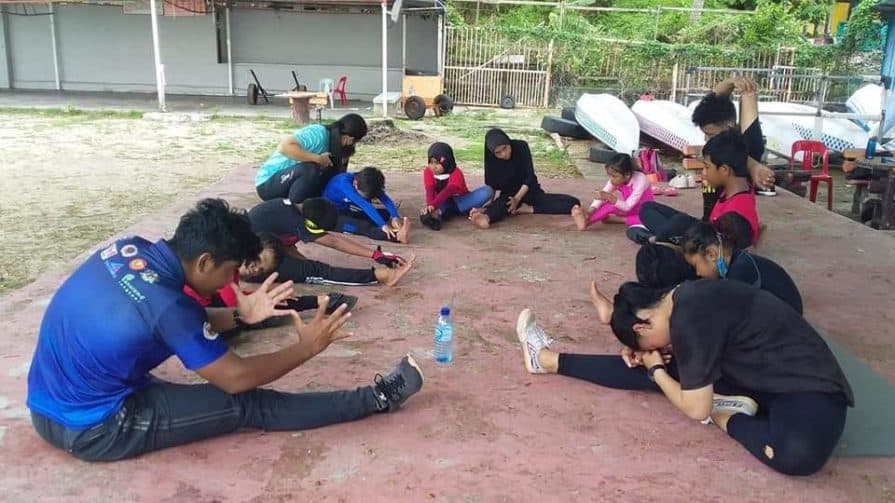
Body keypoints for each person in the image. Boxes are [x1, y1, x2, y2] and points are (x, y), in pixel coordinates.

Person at [27, 198, 424, 462]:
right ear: (204, 261)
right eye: (229, 270)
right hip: (92, 427)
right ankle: (377, 398)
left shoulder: (127, 249)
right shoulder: (171, 308)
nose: (230, 281)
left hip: (46, 402)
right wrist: (307, 346)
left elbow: (170, 323)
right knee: (246, 404)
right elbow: (235, 378)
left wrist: (241, 316)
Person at [515, 280, 853, 476]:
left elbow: (694, 410)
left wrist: (657, 369)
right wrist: (655, 361)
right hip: (754, 375)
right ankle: (546, 359)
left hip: (808, 387)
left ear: (641, 326)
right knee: (658, 370)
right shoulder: (682, 298)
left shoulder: (689, 319)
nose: (655, 348)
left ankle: (727, 415)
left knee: (795, 456)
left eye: (643, 343)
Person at [247, 198, 415, 287]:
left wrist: (305, 265)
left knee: (309, 267)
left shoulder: (291, 209)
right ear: (311, 224)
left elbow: (286, 246)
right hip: (252, 266)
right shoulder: (299, 222)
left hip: (257, 251)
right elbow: (334, 242)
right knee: (318, 271)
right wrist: (376, 255)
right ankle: (383, 276)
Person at [183, 233, 358, 318]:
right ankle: (321, 301)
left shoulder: (232, 271)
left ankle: (322, 301)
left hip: (206, 309)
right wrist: (266, 298)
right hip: (194, 314)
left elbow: (236, 299)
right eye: (257, 261)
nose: (255, 269)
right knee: (258, 311)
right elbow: (236, 304)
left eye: (260, 270)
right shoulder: (225, 264)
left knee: (268, 303)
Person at [638, 129, 760, 245]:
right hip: (708, 228)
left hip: (708, 242)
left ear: (724, 170)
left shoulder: (736, 212)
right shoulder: (736, 186)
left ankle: (658, 239)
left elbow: (720, 252)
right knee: (647, 207)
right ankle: (663, 236)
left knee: (679, 222)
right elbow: (708, 215)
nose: (703, 173)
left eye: (707, 167)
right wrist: (708, 187)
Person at [682, 213, 803, 314]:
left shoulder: (740, 272)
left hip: (786, 327)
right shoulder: (739, 261)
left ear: (711, 254)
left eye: (696, 266)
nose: (698, 273)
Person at [470, 128, 581, 229]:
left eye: (505, 148)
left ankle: (528, 209)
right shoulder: (492, 160)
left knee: (573, 202)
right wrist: (491, 204)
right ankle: (486, 218)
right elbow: (492, 183)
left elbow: (529, 176)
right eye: (498, 153)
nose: (503, 154)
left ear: (508, 143)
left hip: (529, 189)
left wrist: (517, 199)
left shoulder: (521, 147)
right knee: (502, 205)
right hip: (509, 194)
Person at [692, 76, 777, 206]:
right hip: (709, 218)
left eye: (710, 134)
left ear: (730, 125)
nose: (707, 139)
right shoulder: (717, 145)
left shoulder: (746, 144)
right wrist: (733, 81)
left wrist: (754, 167)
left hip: (723, 223)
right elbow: (717, 97)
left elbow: (736, 155)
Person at [255, 113, 368, 203]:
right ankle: (293, 209)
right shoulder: (319, 133)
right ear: (349, 139)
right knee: (310, 168)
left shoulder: (340, 151)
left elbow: (338, 180)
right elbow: (284, 147)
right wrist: (318, 159)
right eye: (354, 142)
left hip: (294, 185)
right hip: (268, 183)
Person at [570, 153, 653, 243]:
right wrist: (590, 211)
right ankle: (585, 221)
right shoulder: (616, 179)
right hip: (628, 210)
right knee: (608, 204)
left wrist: (609, 197)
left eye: (614, 176)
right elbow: (603, 194)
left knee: (649, 221)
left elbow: (627, 206)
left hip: (643, 212)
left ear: (627, 175)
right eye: (609, 175)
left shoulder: (641, 180)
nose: (611, 179)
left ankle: (615, 219)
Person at [323, 167, 411, 244]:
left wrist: (395, 216)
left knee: (384, 214)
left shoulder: (366, 182)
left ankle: (390, 225)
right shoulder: (344, 184)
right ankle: (397, 236)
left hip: (345, 211)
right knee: (364, 226)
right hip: (330, 217)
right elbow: (366, 205)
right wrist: (383, 225)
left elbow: (385, 199)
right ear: (355, 184)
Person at [419, 142, 494, 231]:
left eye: (437, 163)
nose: (433, 167)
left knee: (487, 191)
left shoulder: (456, 172)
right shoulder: (427, 172)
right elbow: (430, 190)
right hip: (440, 202)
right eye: (431, 163)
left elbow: (448, 191)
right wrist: (430, 206)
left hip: (461, 201)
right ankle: (434, 216)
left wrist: (433, 205)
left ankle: (442, 213)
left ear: (447, 161)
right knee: (438, 208)